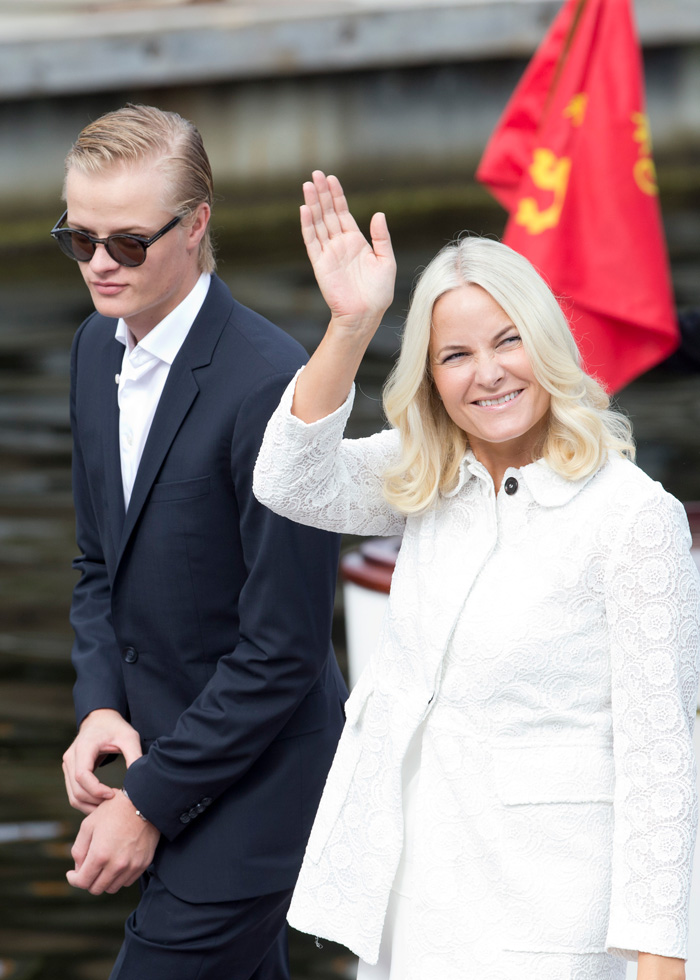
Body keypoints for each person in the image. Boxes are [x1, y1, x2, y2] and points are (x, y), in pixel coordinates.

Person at [253, 171, 700, 980]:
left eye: (506, 341)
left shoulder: (634, 517)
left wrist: (662, 961)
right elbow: (290, 481)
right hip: (415, 899)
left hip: (557, 916)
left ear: (547, 343)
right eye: (455, 355)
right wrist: (353, 324)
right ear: (431, 378)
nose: (486, 373)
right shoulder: (428, 473)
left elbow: (661, 759)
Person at [55, 108, 346, 980]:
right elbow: (96, 563)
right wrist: (100, 704)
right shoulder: (87, 352)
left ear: (198, 224)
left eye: (130, 243)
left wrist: (146, 802)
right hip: (160, 753)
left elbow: (285, 650)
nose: (101, 264)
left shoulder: (270, 383)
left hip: (259, 794)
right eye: (80, 240)